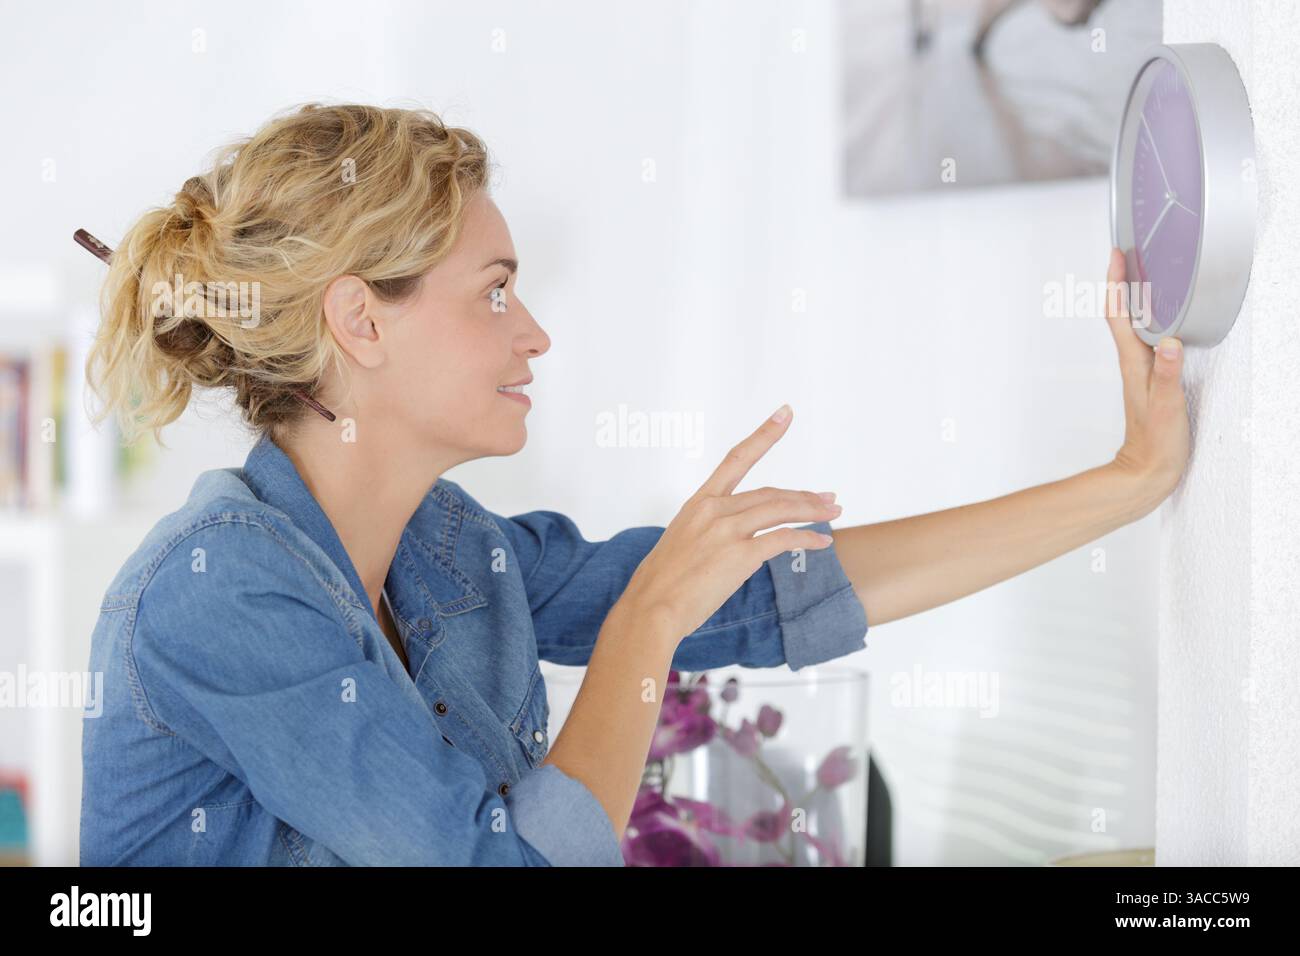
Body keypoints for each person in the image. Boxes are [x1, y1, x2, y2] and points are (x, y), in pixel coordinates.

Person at [78, 103, 1188, 867]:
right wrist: (647, 620)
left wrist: (1127, 481)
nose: (537, 333)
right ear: (360, 320)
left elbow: (770, 595)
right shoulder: (218, 595)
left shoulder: (448, 548)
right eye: (496, 293)